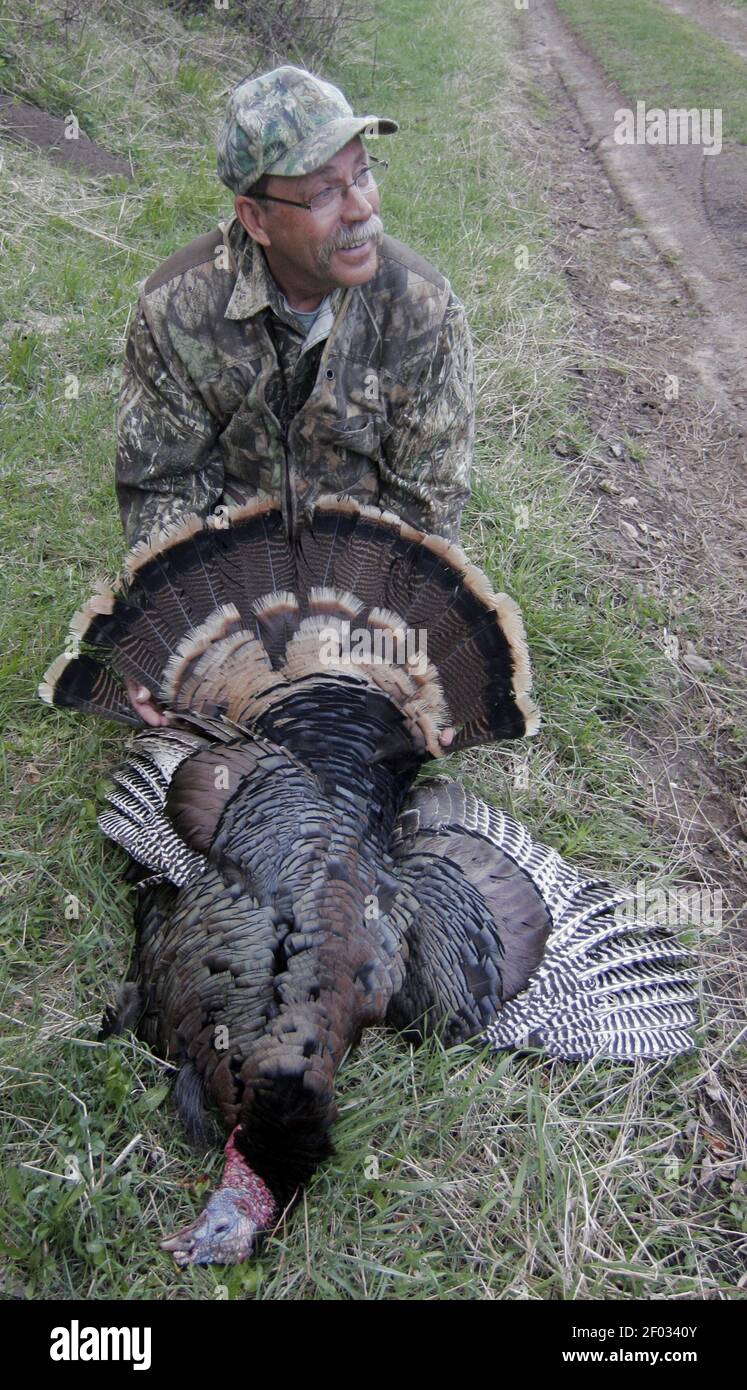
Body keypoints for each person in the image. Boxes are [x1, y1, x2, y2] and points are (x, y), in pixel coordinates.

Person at [115, 65, 475, 727]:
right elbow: (165, 482)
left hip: (361, 581)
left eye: (363, 174)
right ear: (254, 217)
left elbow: (425, 501)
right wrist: (170, 625)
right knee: (191, 750)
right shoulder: (176, 309)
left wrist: (377, 638)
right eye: (324, 194)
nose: (363, 208)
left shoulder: (422, 309)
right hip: (232, 584)